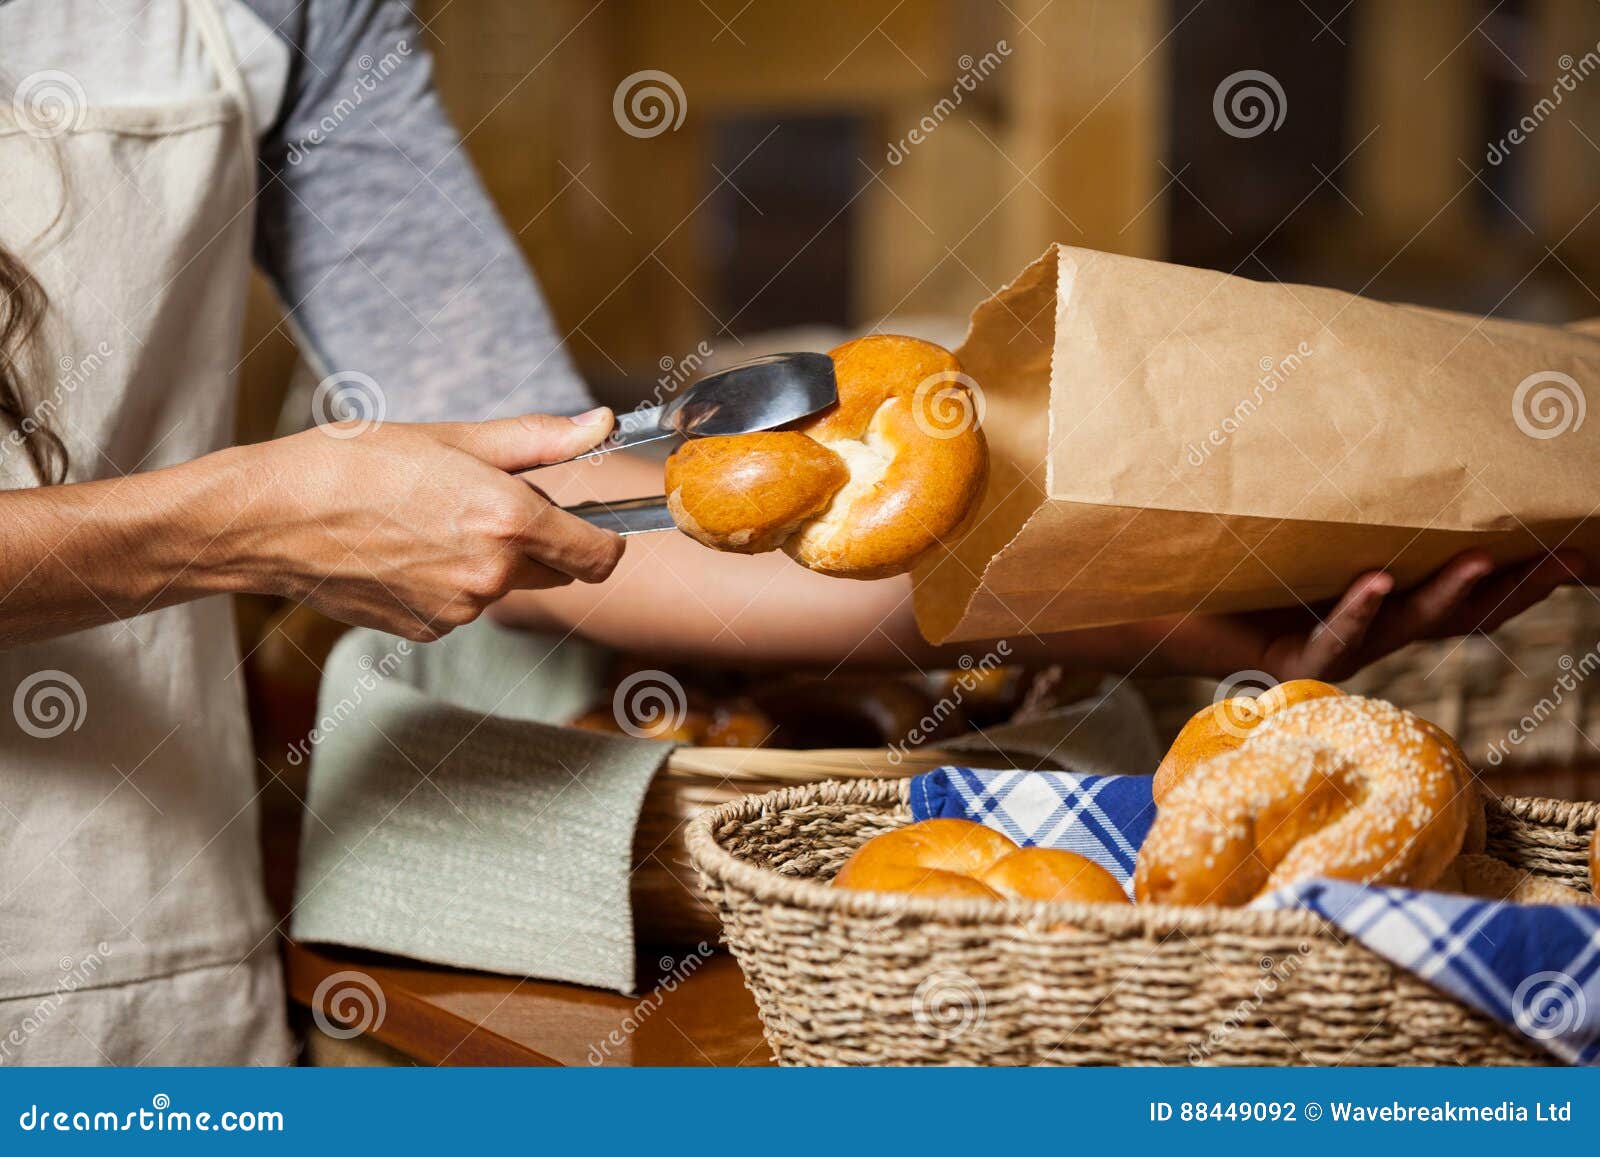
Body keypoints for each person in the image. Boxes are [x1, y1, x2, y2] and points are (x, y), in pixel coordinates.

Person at [0, 1, 1583, 1067]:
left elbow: (565, 525)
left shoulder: (304, 10)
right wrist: (232, 521)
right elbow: (287, 513)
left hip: (137, 964)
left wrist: (1161, 610)